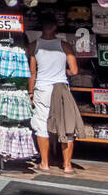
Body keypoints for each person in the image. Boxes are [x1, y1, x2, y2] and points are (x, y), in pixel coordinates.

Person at [28, 13, 79, 173]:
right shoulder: (64, 46)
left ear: (42, 27)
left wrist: (30, 93)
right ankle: (68, 166)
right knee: (66, 125)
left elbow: (32, 72)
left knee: (42, 125)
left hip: (42, 88)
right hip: (61, 88)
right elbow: (75, 71)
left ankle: (44, 163)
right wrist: (63, 72)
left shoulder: (34, 46)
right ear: (55, 27)